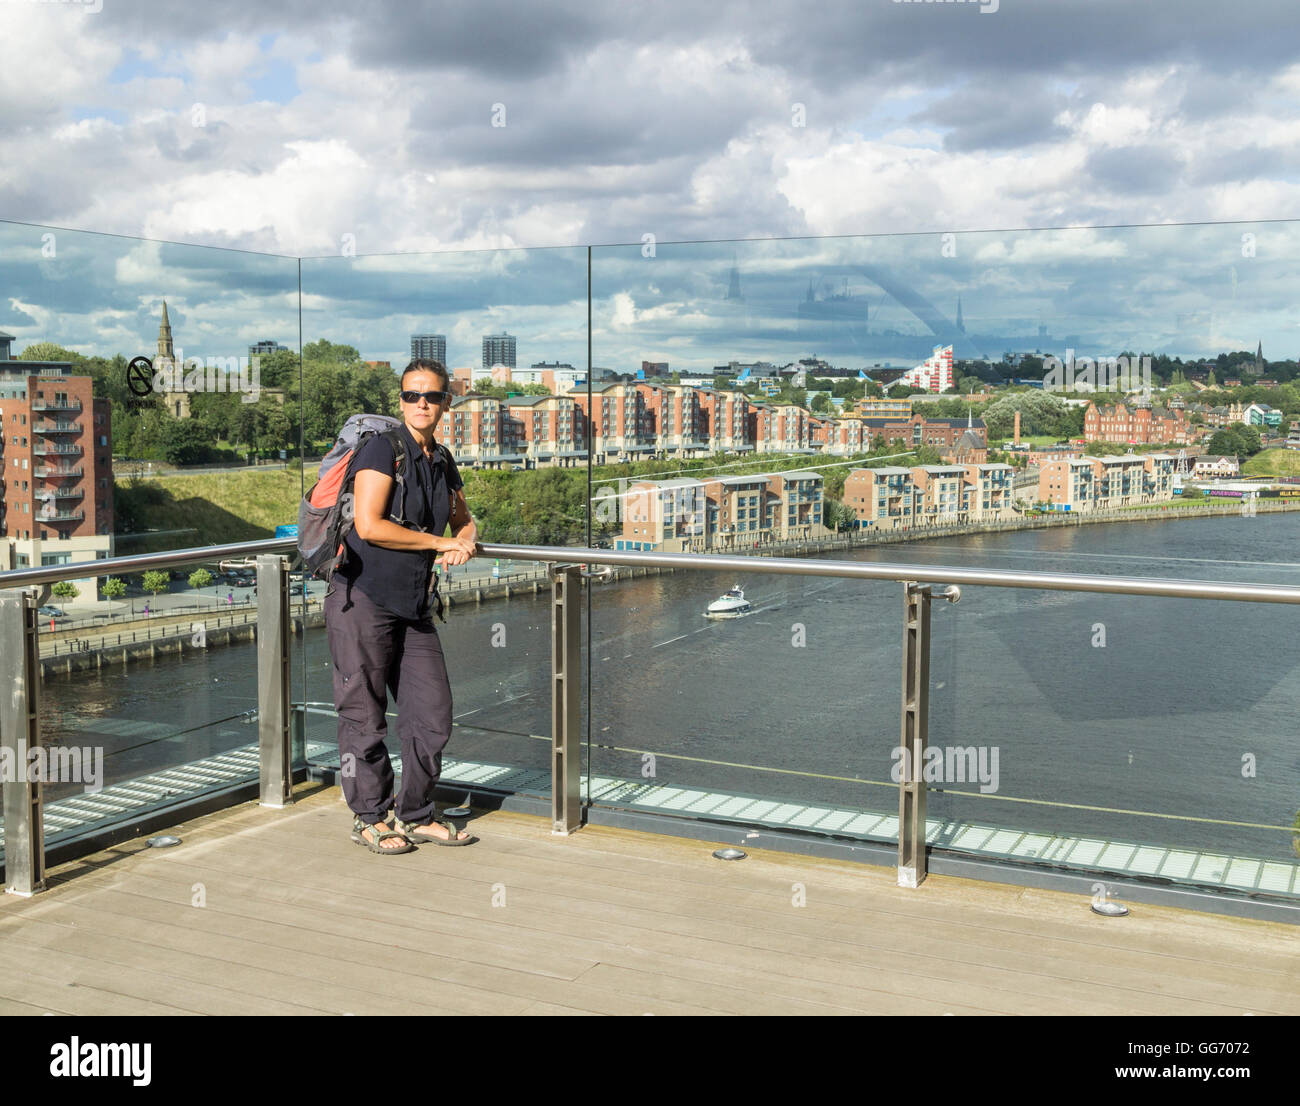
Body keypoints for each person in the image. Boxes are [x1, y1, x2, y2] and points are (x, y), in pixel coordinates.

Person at [325, 359, 478, 854]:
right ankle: (369, 815)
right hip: (363, 598)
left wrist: (465, 541)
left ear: (445, 403)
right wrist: (439, 544)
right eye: (412, 396)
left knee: (433, 714)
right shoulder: (380, 449)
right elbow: (369, 525)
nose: (421, 405)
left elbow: (465, 520)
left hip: (413, 605)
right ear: (400, 401)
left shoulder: (441, 459)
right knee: (364, 715)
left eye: (431, 396)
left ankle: (413, 812)